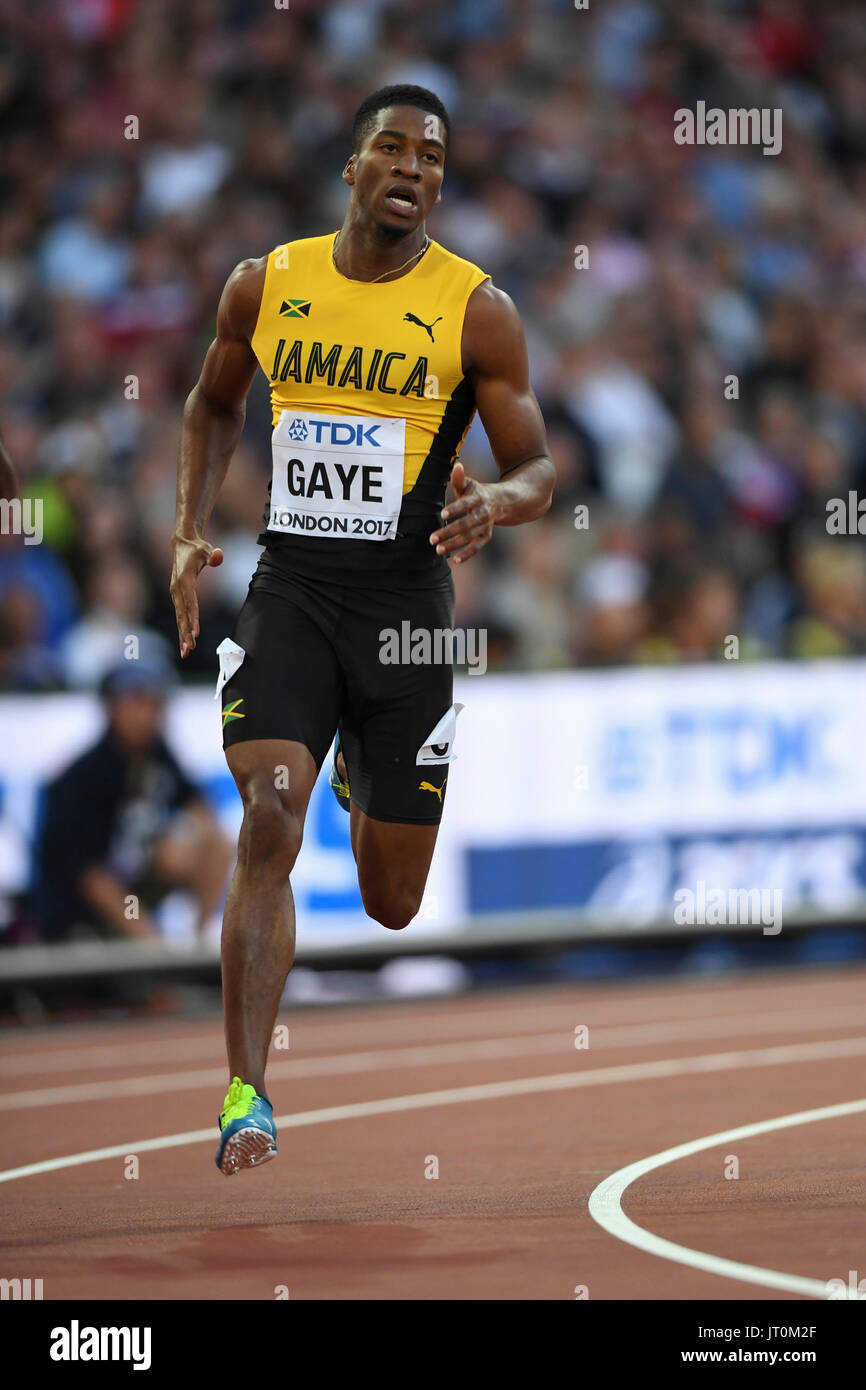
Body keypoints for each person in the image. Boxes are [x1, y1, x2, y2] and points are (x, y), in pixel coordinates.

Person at [171, 85, 555, 1175]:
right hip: (291, 593)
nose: (412, 169)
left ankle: (356, 777)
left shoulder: (476, 308)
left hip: (405, 615)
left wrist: (499, 499)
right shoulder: (267, 283)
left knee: (392, 904)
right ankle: (245, 1090)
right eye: (391, 149)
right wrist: (187, 528)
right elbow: (209, 403)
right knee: (266, 818)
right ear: (351, 167)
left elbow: (537, 461)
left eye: (431, 158)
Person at [34, 652, 233, 942]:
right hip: (79, 914)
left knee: (215, 845)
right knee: (153, 979)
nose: (147, 714)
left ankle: (200, 943)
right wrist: (147, 938)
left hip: (130, 886)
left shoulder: (157, 755)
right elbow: (88, 877)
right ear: (111, 706)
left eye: (155, 703)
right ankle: (148, 968)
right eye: (137, 701)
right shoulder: (82, 778)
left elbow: (200, 811)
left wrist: (183, 841)